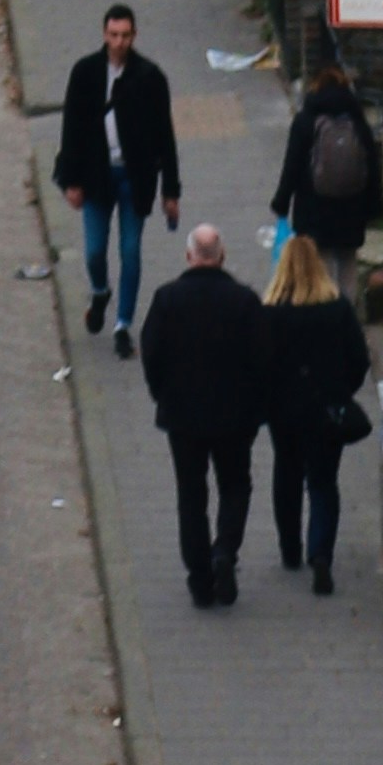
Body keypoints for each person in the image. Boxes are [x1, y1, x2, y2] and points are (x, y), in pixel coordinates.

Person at [139, 224, 269, 605]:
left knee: (191, 493)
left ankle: (199, 577)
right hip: (235, 416)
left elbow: (152, 353)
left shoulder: (167, 299)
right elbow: (262, 359)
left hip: (183, 416)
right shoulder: (244, 301)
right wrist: (256, 406)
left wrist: (161, 393)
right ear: (223, 256)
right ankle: (225, 549)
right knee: (235, 484)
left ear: (188, 256)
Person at [53, 1, 180, 352]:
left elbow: (165, 137)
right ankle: (100, 292)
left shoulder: (150, 78)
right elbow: (72, 130)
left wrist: (171, 191)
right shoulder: (86, 73)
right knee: (94, 252)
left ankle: (123, 325)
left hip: (134, 179)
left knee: (131, 251)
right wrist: (70, 180)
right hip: (96, 177)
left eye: (125, 35)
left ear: (134, 35)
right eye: (113, 35)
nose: (119, 42)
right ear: (104, 34)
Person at [260, 226, 371, 592]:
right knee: (324, 482)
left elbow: (256, 362)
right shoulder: (336, 308)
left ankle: (289, 548)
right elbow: (359, 359)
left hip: (283, 411)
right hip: (327, 410)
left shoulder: (272, 312)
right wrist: (341, 390)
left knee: (287, 475)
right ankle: (321, 553)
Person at [272, 30, 383, 303]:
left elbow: (291, 165)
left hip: (315, 208)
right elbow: (373, 166)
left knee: (320, 263)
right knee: (347, 261)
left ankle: (325, 312)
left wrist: (281, 202)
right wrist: (375, 208)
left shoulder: (306, 120)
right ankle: (349, 316)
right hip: (352, 207)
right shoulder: (357, 121)